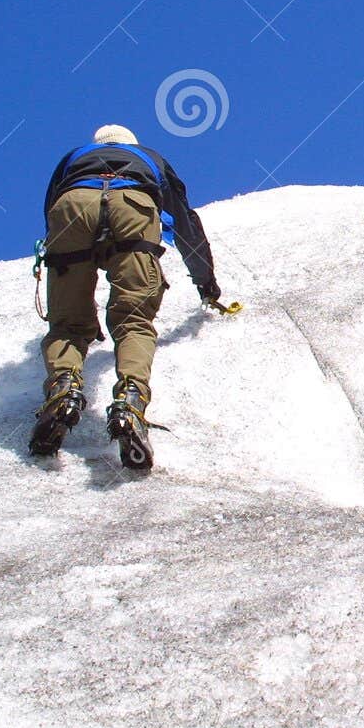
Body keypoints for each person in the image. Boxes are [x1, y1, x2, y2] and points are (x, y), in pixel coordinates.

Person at [29, 124, 226, 469]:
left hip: (72, 206)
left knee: (68, 326)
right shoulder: (149, 158)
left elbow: (51, 211)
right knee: (133, 321)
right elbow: (185, 223)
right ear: (131, 143)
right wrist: (206, 283)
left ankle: (63, 388)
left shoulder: (74, 158)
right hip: (133, 206)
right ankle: (130, 402)